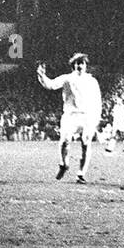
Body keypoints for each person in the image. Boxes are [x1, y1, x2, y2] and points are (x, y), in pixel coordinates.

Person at [37, 53, 102, 183]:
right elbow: (50, 85)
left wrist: (96, 118)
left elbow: (97, 100)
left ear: (85, 65)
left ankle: (81, 174)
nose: (80, 66)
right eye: (77, 63)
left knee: (86, 143)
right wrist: (41, 75)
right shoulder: (67, 78)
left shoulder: (92, 81)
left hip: (87, 116)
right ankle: (64, 164)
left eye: (82, 63)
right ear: (73, 66)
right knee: (64, 141)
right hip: (70, 116)